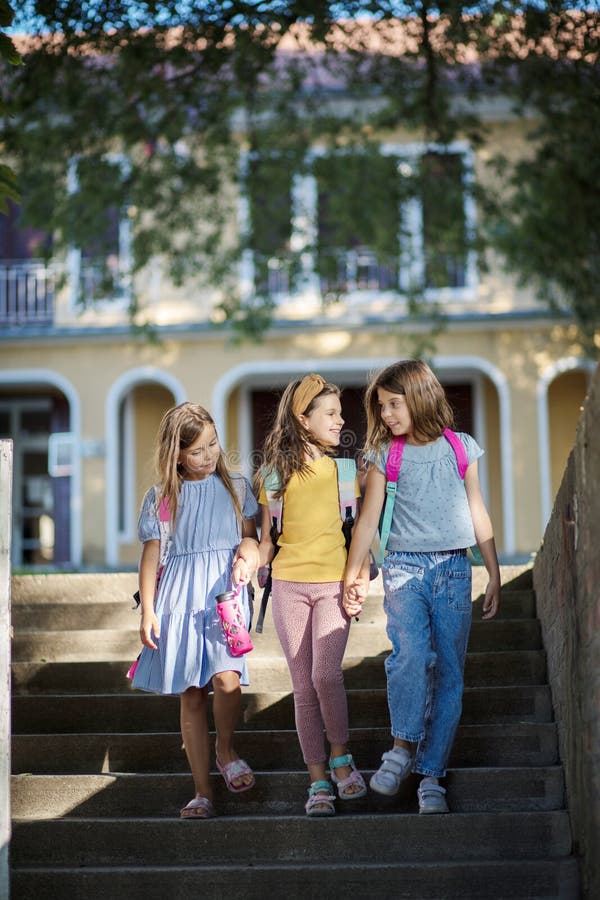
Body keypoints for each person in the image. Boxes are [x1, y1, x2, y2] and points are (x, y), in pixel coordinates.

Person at [343, 360, 500, 814]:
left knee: (449, 672)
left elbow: (477, 510)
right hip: (404, 568)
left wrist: (492, 571)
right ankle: (401, 749)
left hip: (454, 569)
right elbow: (368, 519)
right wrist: (354, 573)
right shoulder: (382, 455)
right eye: (382, 407)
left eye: (395, 404)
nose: (387, 414)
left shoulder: (460, 448)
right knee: (410, 654)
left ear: (421, 395)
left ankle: (432, 776)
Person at [131, 402, 260, 819]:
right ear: (178, 455)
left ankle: (224, 749)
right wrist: (148, 610)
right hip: (180, 598)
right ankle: (203, 792)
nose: (209, 456)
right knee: (190, 693)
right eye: (198, 451)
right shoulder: (165, 496)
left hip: (224, 594)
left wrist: (247, 550)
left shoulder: (237, 487)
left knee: (226, 679)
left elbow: (251, 536)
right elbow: (152, 554)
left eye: (213, 444)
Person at [256, 374, 369, 817]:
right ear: (303, 419)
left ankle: (342, 759)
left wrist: (360, 573)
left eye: (340, 414)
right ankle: (318, 779)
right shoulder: (270, 475)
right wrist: (253, 562)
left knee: (326, 675)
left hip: (331, 587)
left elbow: (359, 531)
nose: (341, 420)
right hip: (287, 586)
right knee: (302, 686)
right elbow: (269, 538)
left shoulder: (344, 472)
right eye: (331, 414)